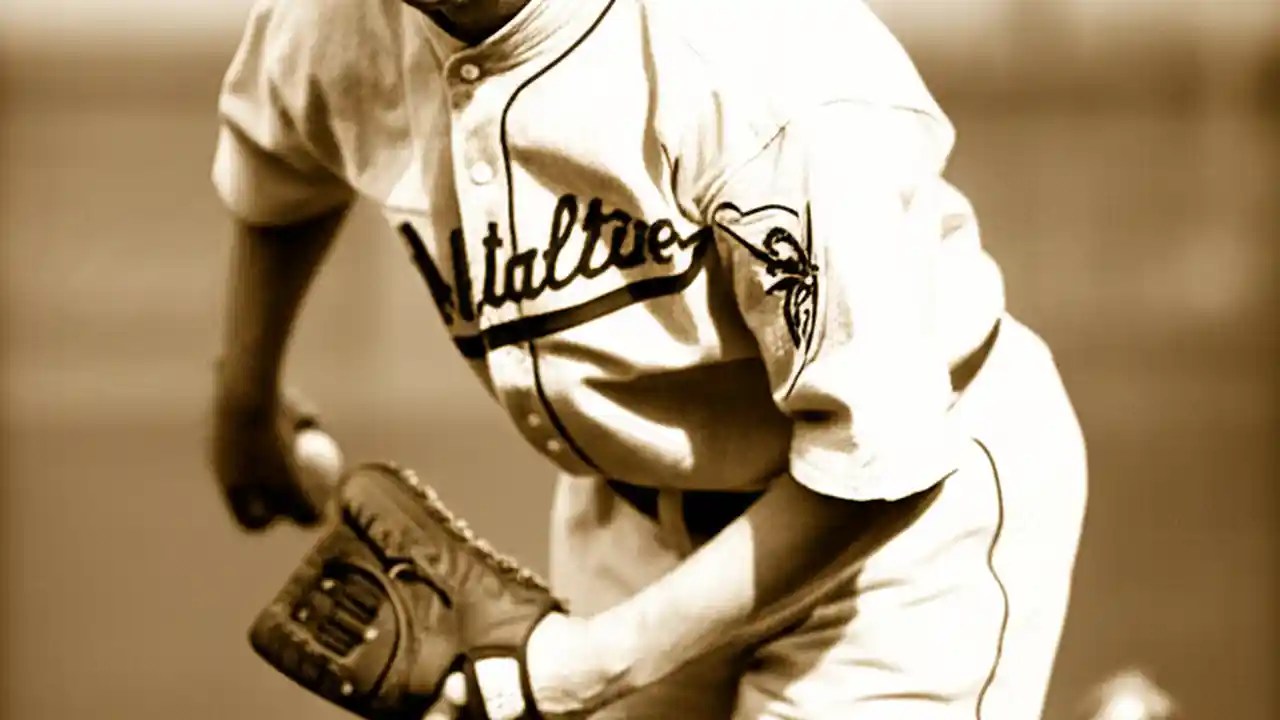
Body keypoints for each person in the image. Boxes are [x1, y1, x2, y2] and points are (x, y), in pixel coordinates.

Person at [207, 0, 1089, 717]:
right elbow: (282, 140)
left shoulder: (769, 67)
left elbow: (878, 458)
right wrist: (245, 402)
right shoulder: (340, 20)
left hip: (899, 534)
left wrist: (588, 665)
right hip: (627, 512)